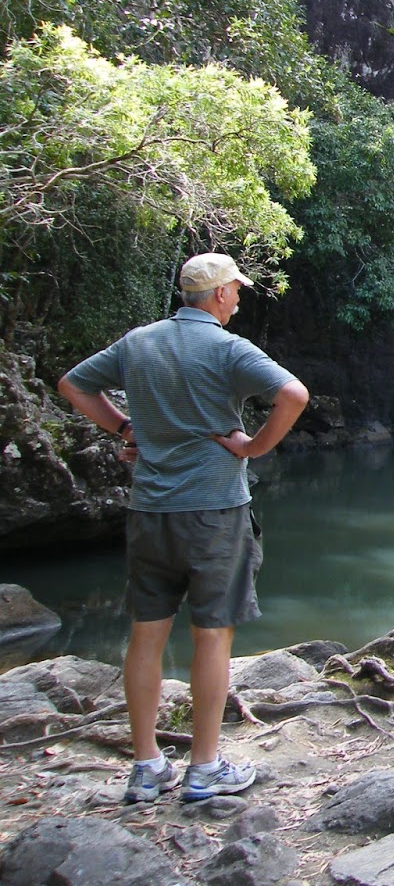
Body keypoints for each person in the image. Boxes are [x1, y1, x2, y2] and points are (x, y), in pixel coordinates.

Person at [58, 252, 309, 804]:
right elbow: (293, 395)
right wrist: (252, 447)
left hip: (150, 511)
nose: (239, 299)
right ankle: (203, 768)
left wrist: (126, 429)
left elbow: (73, 385)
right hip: (215, 513)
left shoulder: (140, 342)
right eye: (237, 290)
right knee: (212, 634)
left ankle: (147, 766)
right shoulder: (227, 348)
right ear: (219, 294)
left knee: (146, 632)